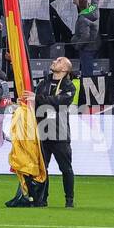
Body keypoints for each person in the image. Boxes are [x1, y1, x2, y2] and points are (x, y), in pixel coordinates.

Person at [30, 56, 77, 208]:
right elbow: (38, 103)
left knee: (66, 168)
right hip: (42, 130)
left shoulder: (69, 86)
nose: (54, 61)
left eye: (59, 60)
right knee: (42, 168)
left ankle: (69, 199)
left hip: (59, 132)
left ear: (64, 69)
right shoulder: (43, 83)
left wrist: (38, 98)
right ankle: (42, 199)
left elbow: (59, 101)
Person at [70, 0, 100, 77]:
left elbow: (85, 37)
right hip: (95, 46)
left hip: (86, 49)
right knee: (94, 72)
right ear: (88, 4)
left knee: (87, 75)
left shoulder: (82, 18)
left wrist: (77, 45)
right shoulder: (94, 9)